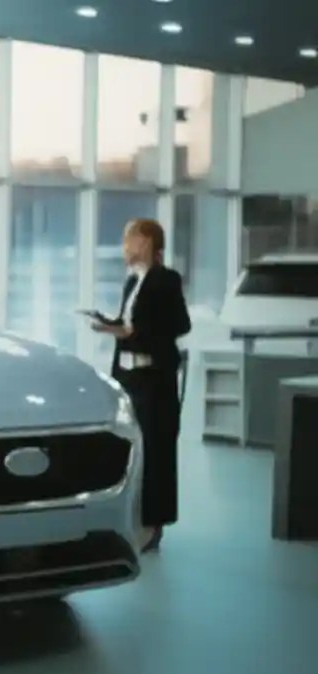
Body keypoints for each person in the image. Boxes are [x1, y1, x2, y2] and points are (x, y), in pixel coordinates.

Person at [91, 218, 191, 553]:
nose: (124, 247)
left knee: (157, 451)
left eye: (129, 240)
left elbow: (178, 325)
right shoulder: (132, 281)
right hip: (130, 376)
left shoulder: (167, 280)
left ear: (145, 241)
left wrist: (133, 334)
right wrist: (112, 327)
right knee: (134, 450)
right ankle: (133, 519)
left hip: (154, 378)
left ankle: (153, 524)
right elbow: (130, 324)